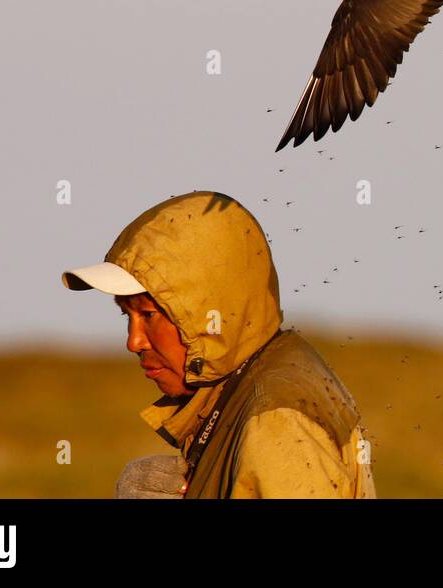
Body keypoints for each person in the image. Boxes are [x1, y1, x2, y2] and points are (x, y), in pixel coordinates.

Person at [61, 190, 376, 498]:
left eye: (149, 314)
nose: (134, 341)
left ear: (207, 309)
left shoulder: (277, 422)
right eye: (125, 314)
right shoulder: (240, 392)